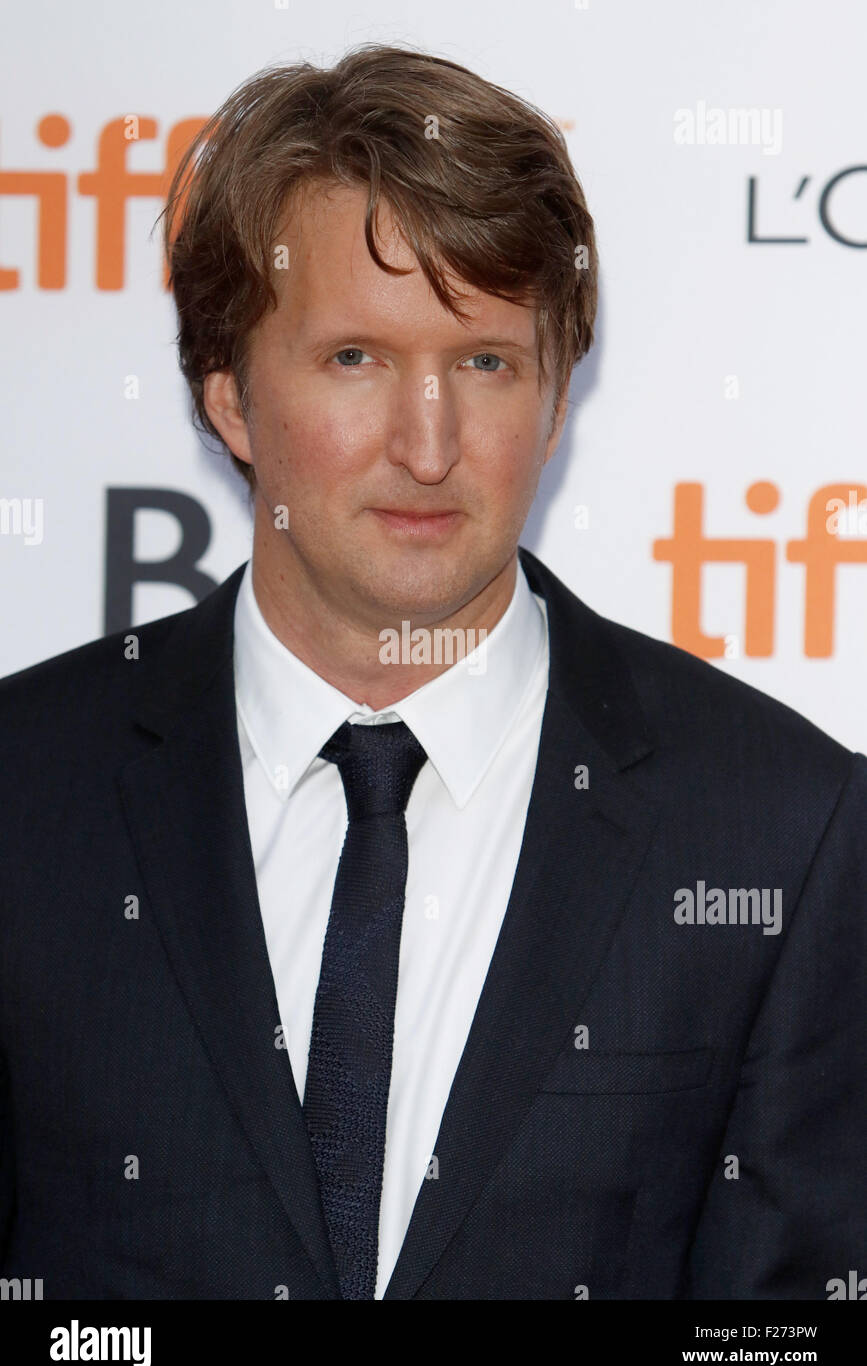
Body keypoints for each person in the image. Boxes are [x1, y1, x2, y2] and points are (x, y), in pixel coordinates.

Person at [0, 43, 864, 1301]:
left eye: (486, 363)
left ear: (559, 398)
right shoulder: (26, 790)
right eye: (355, 358)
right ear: (229, 395)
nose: (428, 444)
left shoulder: (781, 827)